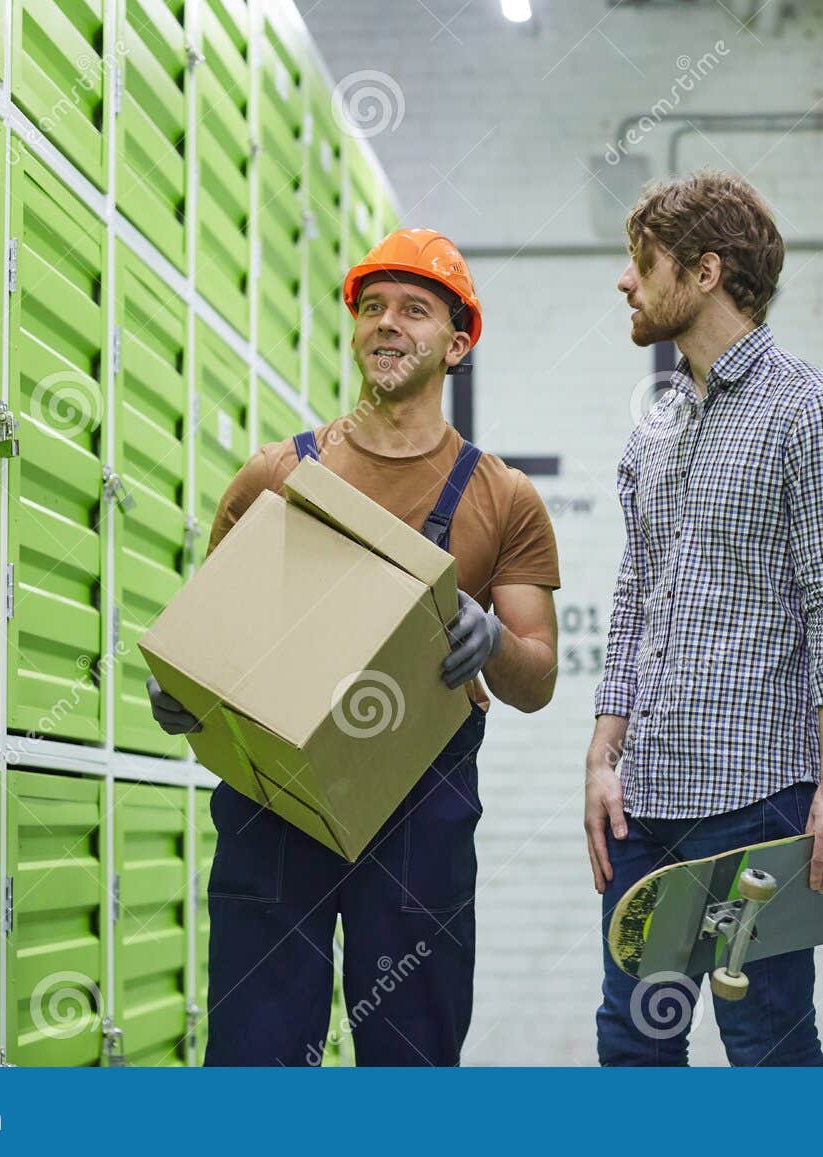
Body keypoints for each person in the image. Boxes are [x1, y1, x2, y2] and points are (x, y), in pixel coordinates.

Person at [148, 228, 561, 1066]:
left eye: (414, 309)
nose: (387, 323)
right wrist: (178, 697)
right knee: (256, 1056)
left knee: (413, 1056)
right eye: (372, 306)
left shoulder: (502, 497)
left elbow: (538, 675)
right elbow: (208, 642)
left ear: (457, 343)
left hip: (421, 810)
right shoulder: (277, 475)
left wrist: (492, 642)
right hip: (276, 804)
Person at [585, 171, 823, 1066]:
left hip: (759, 799)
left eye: (643, 263)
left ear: (705, 271)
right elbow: (634, 598)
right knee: (633, 1039)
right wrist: (602, 756)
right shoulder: (658, 427)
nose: (626, 282)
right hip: (646, 802)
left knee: (766, 1043)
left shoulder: (813, 411)